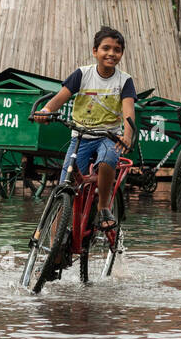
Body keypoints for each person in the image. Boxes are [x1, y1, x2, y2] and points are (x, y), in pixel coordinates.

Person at [31, 26, 136, 235]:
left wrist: (127, 136)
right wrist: (45, 111)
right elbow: (58, 99)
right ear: (95, 51)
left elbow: (128, 112)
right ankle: (54, 251)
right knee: (63, 191)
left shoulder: (125, 80)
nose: (111, 54)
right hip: (80, 137)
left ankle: (103, 207)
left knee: (107, 160)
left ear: (121, 54)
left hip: (109, 136)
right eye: (106, 48)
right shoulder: (82, 74)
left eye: (117, 50)